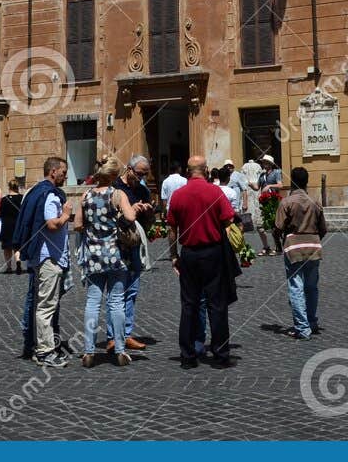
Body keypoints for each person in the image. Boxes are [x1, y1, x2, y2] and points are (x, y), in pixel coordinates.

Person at [165, 156, 236, 368]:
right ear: (205, 170)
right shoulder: (215, 192)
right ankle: (221, 354)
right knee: (217, 305)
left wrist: (174, 255)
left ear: (188, 171)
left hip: (189, 254)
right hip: (213, 253)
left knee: (189, 305)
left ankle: (188, 356)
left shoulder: (178, 195)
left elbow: (171, 229)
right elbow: (228, 219)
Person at [73, 158, 138, 368]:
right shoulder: (117, 195)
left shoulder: (86, 195)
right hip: (116, 255)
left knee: (92, 302)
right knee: (116, 302)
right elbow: (130, 216)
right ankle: (120, 349)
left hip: (93, 257)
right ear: (113, 176)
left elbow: (77, 224)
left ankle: (89, 351)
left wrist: (93, 229)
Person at [15, 157, 72, 368]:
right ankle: (45, 352)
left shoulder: (36, 191)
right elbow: (52, 224)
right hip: (49, 257)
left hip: (42, 255)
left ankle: (39, 346)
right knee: (46, 306)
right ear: (53, 171)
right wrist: (66, 215)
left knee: (41, 303)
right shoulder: (50, 195)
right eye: (63, 172)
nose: (65, 176)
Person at [274, 165, 326, 338]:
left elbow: (278, 227)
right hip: (313, 247)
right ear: (307, 181)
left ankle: (302, 327)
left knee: (296, 287)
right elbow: (323, 228)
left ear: (292, 182)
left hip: (293, 246)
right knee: (312, 287)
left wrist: (279, 244)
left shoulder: (286, 202)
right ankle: (312, 322)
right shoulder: (315, 202)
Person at [113, 156, 155, 351]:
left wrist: (148, 211)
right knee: (117, 292)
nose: (141, 178)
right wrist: (131, 210)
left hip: (135, 244)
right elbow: (110, 217)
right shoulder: (115, 187)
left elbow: (148, 222)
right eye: (139, 174)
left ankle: (127, 333)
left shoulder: (143, 190)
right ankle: (113, 335)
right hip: (116, 244)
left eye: (145, 174)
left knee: (132, 290)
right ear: (129, 169)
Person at [253, 155, 283, 255]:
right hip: (264, 203)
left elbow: (280, 185)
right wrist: (249, 184)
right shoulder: (262, 175)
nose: (264, 164)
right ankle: (266, 247)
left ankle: (278, 248)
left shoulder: (276, 173)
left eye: (266, 162)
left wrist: (269, 185)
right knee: (260, 226)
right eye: (263, 162)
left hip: (274, 203)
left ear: (270, 164)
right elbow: (257, 187)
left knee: (274, 227)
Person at [0, 180, 25, 274]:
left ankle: (9, 267)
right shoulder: (22, 198)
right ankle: (18, 260)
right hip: (18, 224)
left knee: (7, 247)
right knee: (17, 245)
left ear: (9, 187)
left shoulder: (4, 199)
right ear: (17, 187)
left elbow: (0, 213)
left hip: (7, 225)